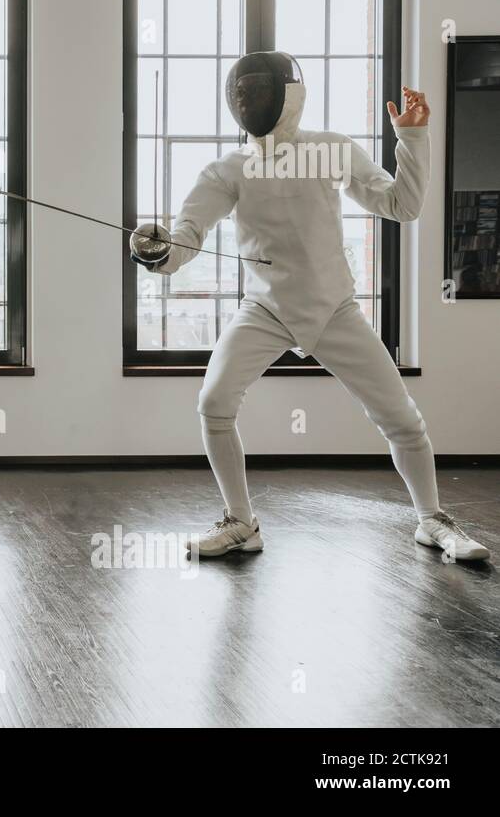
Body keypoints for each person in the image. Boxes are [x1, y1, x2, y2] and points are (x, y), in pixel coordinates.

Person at [130, 50, 489, 562]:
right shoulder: (228, 169)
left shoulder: (329, 149)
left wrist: (411, 137)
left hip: (334, 307)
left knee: (402, 420)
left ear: (287, 95)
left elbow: (401, 205)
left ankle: (432, 520)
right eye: (239, 90)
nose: (245, 98)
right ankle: (241, 522)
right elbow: (188, 235)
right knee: (214, 402)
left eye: (255, 88)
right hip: (264, 310)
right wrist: (159, 251)